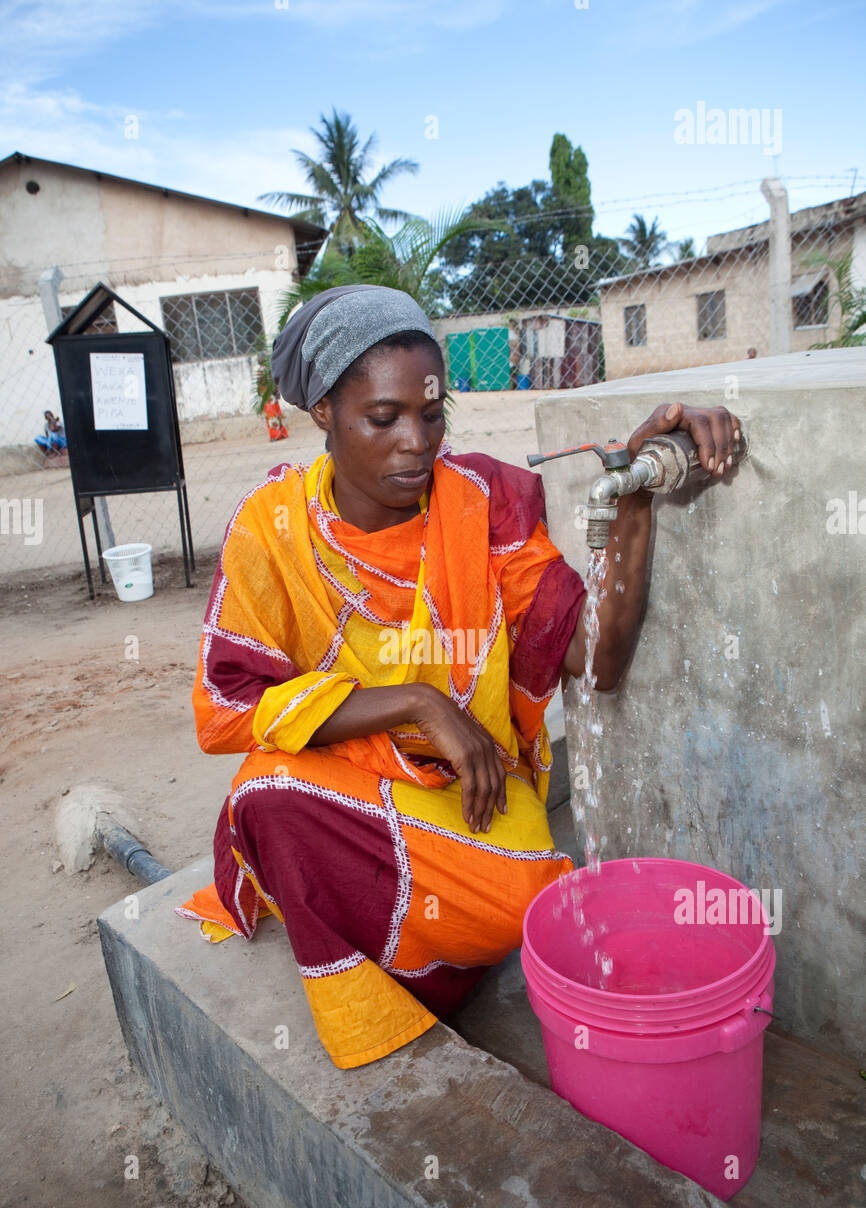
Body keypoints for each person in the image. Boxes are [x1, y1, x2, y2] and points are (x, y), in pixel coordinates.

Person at [178, 285, 741, 1070]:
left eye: (434, 414)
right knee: (268, 800)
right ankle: (387, 967)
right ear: (324, 416)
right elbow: (227, 707)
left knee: (527, 908)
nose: (418, 443)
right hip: (345, 785)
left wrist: (636, 495)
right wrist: (414, 702)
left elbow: (597, 662)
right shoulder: (270, 527)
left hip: (470, 792)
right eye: (384, 418)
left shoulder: (483, 501)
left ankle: (405, 935)